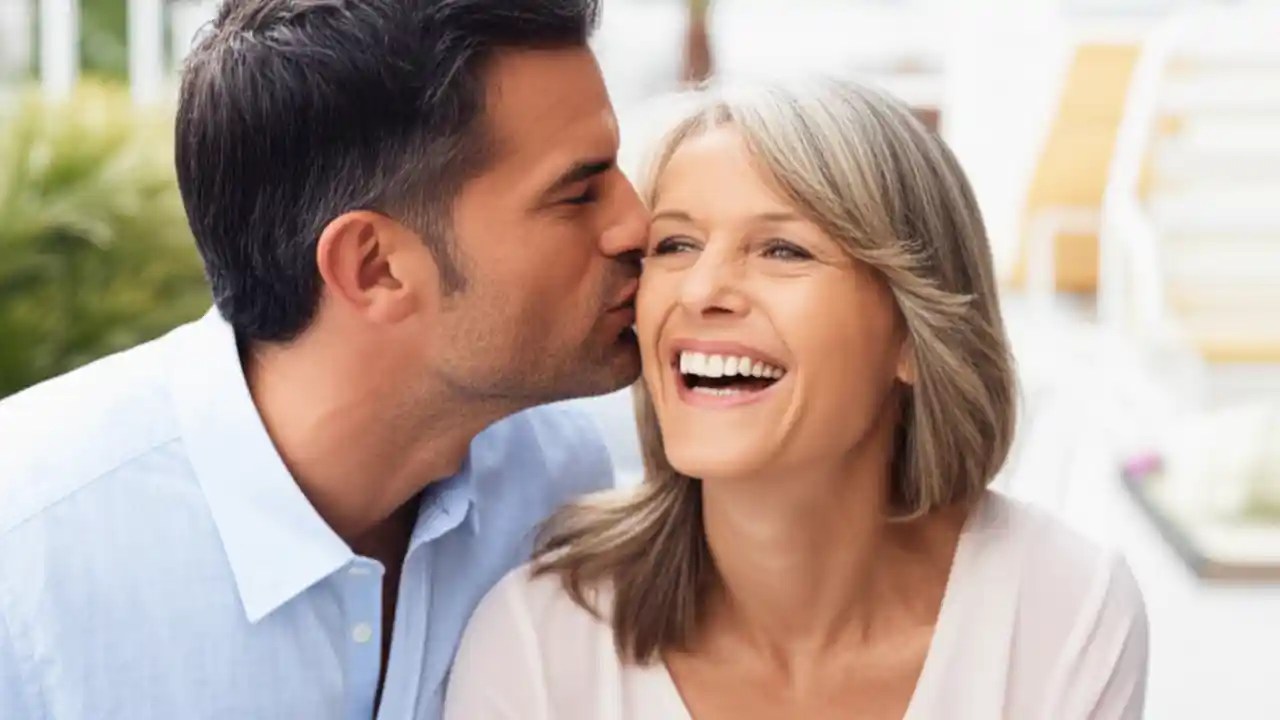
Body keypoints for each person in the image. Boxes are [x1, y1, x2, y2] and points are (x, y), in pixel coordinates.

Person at [0, 0, 647, 718]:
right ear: (374, 267)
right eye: (579, 192)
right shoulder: (24, 558)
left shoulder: (558, 486)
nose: (638, 225)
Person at [444, 79, 1149, 719]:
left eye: (782, 250)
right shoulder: (539, 642)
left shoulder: (1064, 608)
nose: (701, 291)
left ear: (912, 335)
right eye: (676, 245)